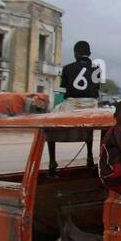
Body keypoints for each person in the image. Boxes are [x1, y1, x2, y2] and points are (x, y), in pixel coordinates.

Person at [49, 40, 99, 171]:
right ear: (89, 53)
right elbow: (95, 89)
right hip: (91, 105)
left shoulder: (67, 68)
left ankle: (52, 161)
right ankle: (90, 156)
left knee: (49, 120)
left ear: (75, 53)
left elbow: (66, 88)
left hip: (73, 103)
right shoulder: (97, 69)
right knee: (90, 127)